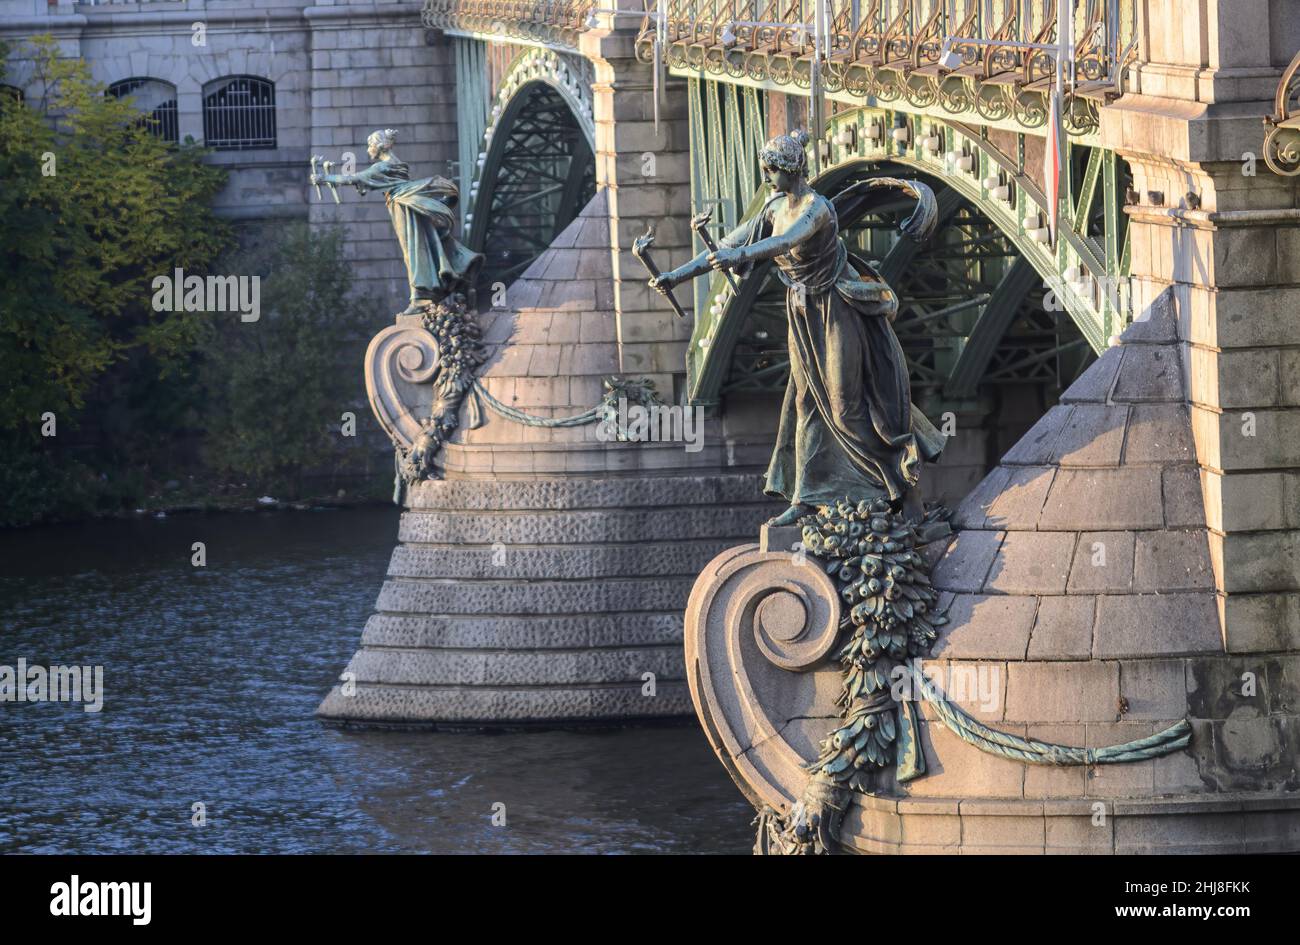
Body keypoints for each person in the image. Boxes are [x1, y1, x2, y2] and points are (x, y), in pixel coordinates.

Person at [650, 131, 944, 526]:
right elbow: (722, 245)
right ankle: (807, 496)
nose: (766, 178)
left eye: (771, 170)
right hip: (802, 312)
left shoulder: (815, 208)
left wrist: (741, 255)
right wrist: (675, 275)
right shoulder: (774, 206)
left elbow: (785, 241)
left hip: (837, 308)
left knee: (844, 405)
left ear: (790, 170)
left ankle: (900, 487)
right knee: (806, 403)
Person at [312, 128, 482, 313]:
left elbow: (354, 178)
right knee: (426, 244)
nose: (368, 150)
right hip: (410, 205)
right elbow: (367, 182)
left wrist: (324, 177)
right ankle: (453, 283)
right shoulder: (398, 164)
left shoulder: (381, 167)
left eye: (370, 146)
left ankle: (421, 297)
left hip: (403, 208)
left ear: (379, 147)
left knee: (413, 251)